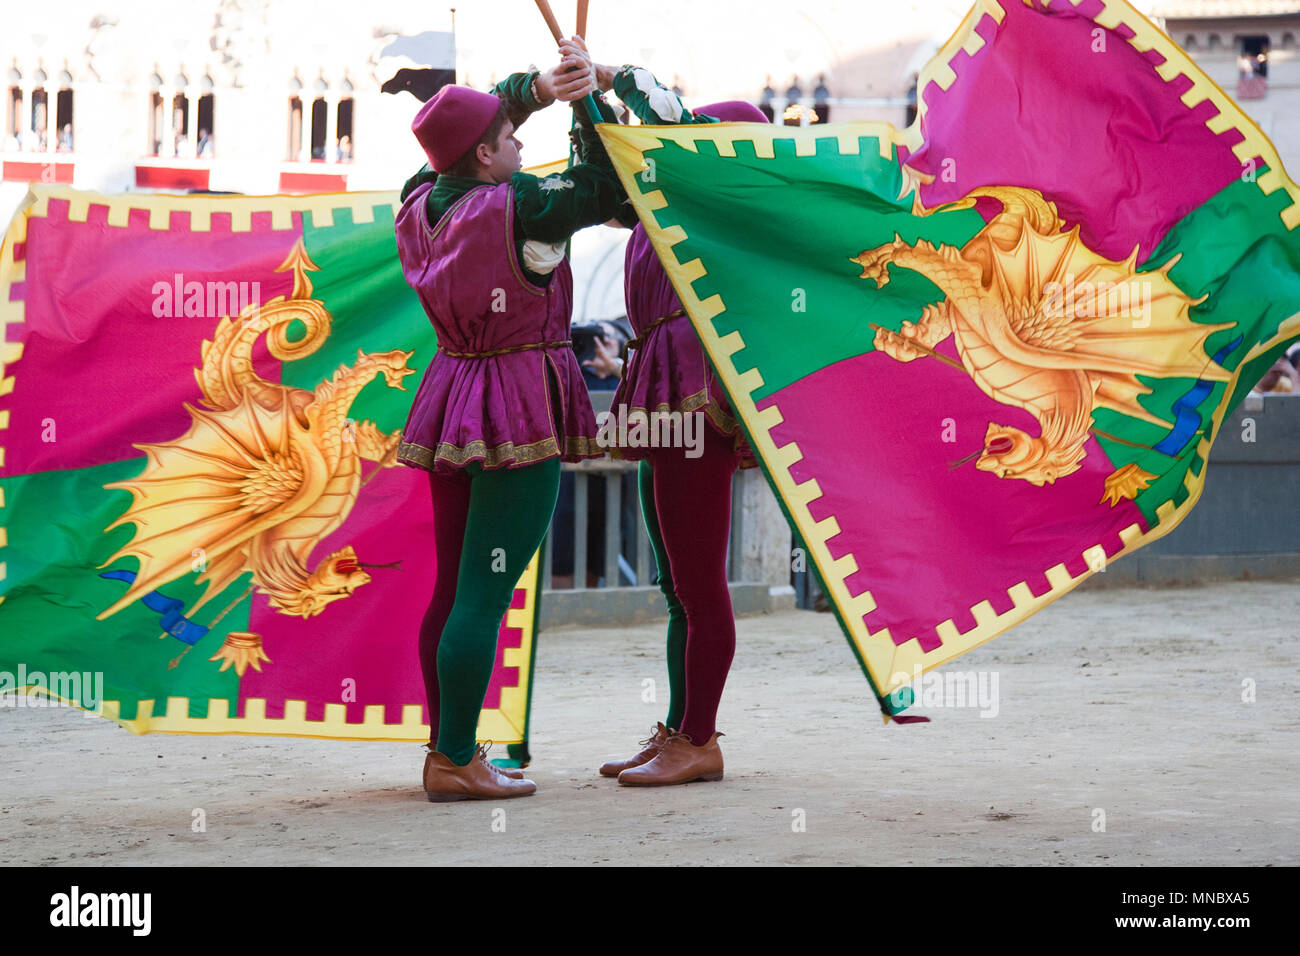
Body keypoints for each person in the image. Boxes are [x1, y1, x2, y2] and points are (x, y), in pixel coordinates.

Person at [394, 43, 627, 801]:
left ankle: (447, 747)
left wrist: (530, 91)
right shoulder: (520, 203)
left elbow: (457, 143)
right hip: (518, 400)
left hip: (454, 391)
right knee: (485, 595)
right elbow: (601, 185)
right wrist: (585, 102)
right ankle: (457, 760)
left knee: (452, 592)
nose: (521, 145)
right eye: (509, 138)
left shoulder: (417, 198)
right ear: (487, 158)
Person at [580, 51, 767, 786]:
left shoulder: (715, 208)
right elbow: (615, 158)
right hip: (658, 385)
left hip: (693, 391)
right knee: (675, 582)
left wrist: (610, 75)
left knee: (698, 578)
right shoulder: (661, 212)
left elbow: (665, 127)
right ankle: (677, 730)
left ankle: (700, 738)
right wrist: (581, 100)